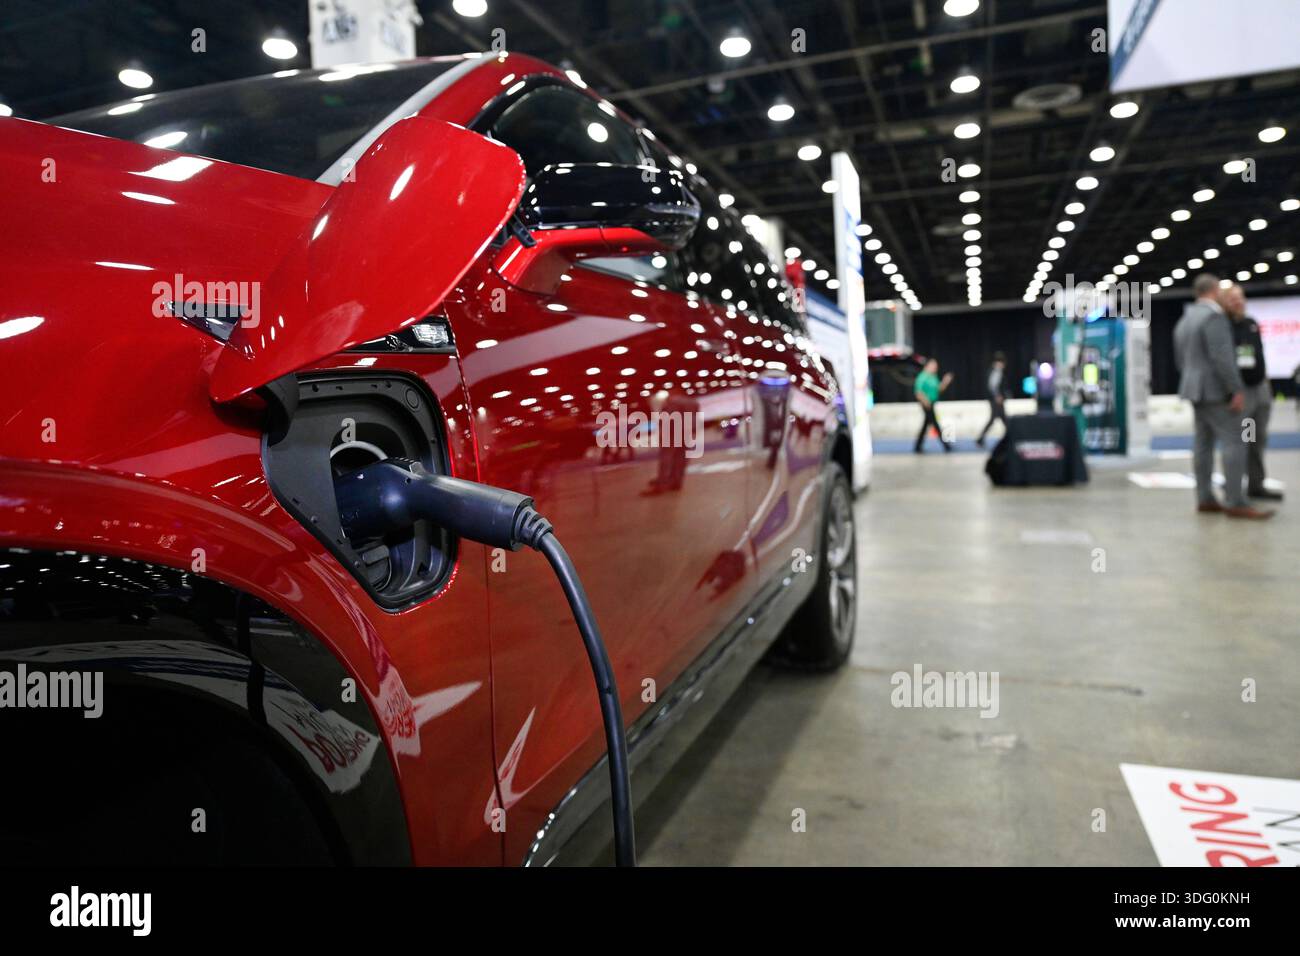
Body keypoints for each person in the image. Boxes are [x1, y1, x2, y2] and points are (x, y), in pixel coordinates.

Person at [1172, 274, 1273, 520]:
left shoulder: (1185, 319)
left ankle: (1205, 497)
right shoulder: (1213, 317)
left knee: (1203, 444)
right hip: (1216, 391)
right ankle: (1236, 500)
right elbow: (1222, 358)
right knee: (1234, 443)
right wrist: (1236, 389)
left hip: (1195, 390)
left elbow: (1180, 359)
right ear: (1215, 291)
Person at [1222, 284, 1282, 501]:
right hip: (1241, 391)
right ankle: (1234, 486)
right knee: (1241, 440)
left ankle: (1256, 484)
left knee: (1258, 439)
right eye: (1232, 298)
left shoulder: (1251, 324)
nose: (1238, 301)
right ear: (1224, 301)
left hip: (1260, 390)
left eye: (1240, 297)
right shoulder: (1223, 327)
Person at [913, 358, 954, 453]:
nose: (935, 368)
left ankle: (918, 446)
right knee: (935, 423)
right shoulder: (922, 377)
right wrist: (925, 401)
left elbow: (939, 389)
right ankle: (946, 445)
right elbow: (918, 392)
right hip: (926, 404)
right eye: (933, 365)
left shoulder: (933, 377)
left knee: (926, 425)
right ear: (927, 366)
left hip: (932, 403)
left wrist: (945, 381)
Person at [977, 351, 1010, 447]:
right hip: (996, 400)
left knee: (1002, 420)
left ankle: (980, 439)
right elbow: (992, 386)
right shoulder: (996, 372)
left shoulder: (996, 371)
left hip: (996, 399)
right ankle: (980, 439)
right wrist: (997, 396)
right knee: (999, 420)